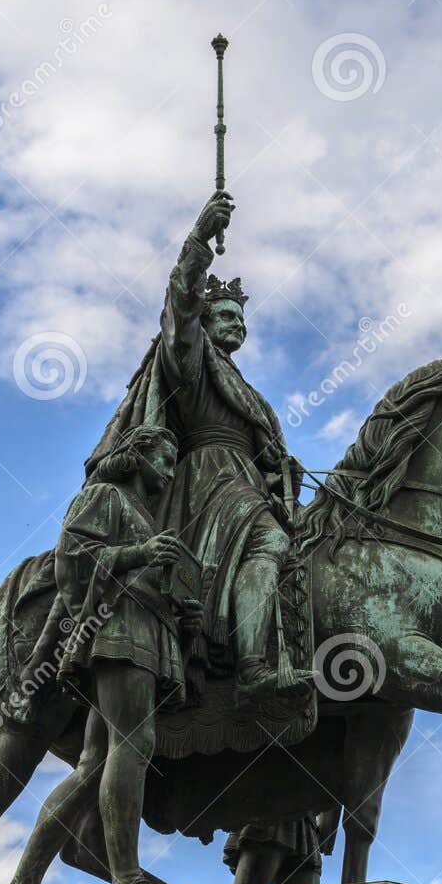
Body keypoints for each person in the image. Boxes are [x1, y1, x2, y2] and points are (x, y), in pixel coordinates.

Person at [86, 190, 312, 706]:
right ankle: (253, 667)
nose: (238, 324)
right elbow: (180, 309)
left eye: (241, 317)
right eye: (226, 316)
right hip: (210, 484)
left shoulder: (244, 388)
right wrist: (198, 241)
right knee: (270, 544)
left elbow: (264, 449)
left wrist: (282, 465)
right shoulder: (192, 361)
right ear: (206, 325)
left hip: (245, 481)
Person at [0, 425, 200, 884]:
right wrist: (141, 554)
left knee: (92, 766)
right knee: (135, 744)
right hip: (118, 634)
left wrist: (182, 609)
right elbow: (74, 558)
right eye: (165, 459)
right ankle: (126, 881)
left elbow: (141, 574)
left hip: (142, 631)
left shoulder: (140, 514)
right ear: (136, 457)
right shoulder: (104, 496)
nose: (171, 472)